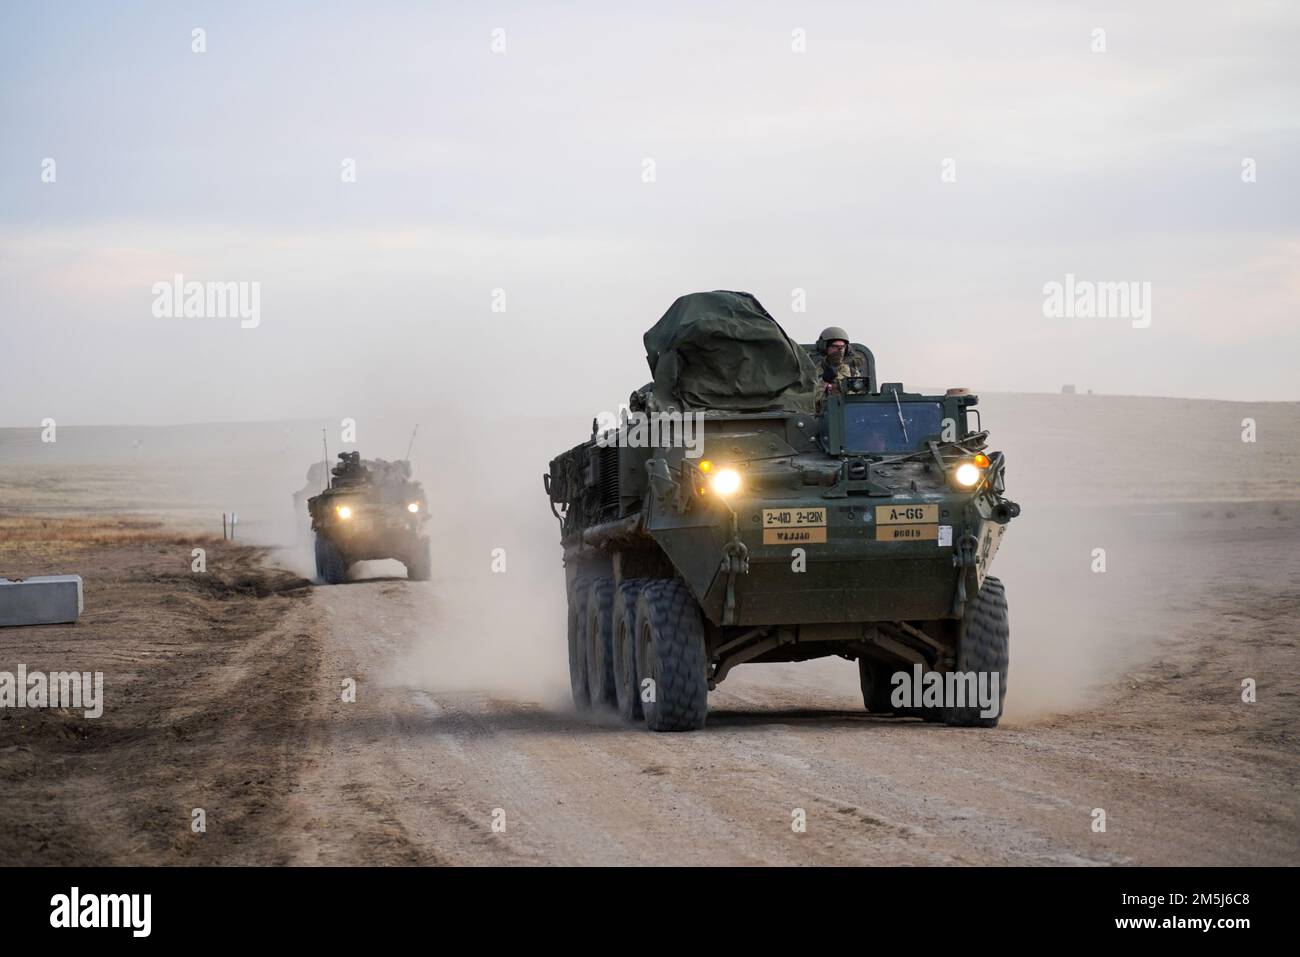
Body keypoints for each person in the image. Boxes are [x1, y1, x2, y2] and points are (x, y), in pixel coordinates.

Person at [815, 326, 864, 398]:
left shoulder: (852, 372)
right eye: (834, 346)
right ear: (824, 348)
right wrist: (824, 381)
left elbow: (859, 399)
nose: (839, 351)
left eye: (842, 347)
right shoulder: (814, 372)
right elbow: (809, 401)